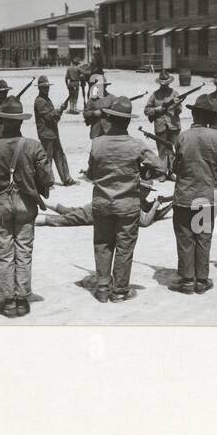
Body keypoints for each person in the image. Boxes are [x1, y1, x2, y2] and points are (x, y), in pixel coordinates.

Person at [84, 97, 166, 303]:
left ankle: (103, 287)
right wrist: (142, 174)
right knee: (124, 246)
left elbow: (91, 174)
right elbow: (161, 168)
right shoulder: (137, 146)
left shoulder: (97, 144)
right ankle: (120, 290)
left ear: (109, 119)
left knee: (102, 243)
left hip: (102, 203)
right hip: (127, 204)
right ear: (128, 122)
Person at [0, 99, 52, 317]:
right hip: (25, 205)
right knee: (24, 251)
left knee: (3, 254)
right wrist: (33, 186)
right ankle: (22, 299)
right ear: (20, 121)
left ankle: (9, 300)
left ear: (1, 122)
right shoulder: (33, 146)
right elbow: (47, 178)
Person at [170, 94, 217, 295]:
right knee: (203, 237)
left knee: (185, 237)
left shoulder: (181, 137)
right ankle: (201, 280)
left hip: (184, 195)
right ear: (210, 117)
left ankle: (187, 279)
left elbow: (175, 168)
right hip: (208, 196)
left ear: (193, 113)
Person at [38, 192, 173, 228]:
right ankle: (35, 218)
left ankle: (42, 201)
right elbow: (145, 222)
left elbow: (155, 214)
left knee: (70, 212)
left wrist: (170, 203)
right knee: (65, 220)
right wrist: (156, 205)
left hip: (101, 205)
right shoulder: (133, 201)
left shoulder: (136, 196)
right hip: (98, 211)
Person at [33, 75, 74, 187]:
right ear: (39, 88)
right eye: (44, 87)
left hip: (53, 133)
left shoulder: (46, 99)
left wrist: (59, 112)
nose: (47, 89)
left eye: (47, 87)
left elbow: (54, 117)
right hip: (46, 134)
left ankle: (66, 178)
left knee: (60, 155)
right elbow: (49, 116)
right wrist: (59, 110)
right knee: (47, 159)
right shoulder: (40, 101)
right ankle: (47, 182)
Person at [143, 71, 181, 174]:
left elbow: (179, 111)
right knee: (162, 151)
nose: (165, 86)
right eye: (163, 84)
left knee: (175, 149)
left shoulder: (175, 93)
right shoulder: (154, 95)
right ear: (159, 83)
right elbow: (146, 111)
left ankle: (174, 172)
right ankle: (162, 173)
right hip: (160, 126)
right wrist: (156, 110)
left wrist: (177, 105)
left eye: (167, 83)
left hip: (173, 125)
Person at [83, 74, 114, 141]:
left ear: (106, 86)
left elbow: (118, 114)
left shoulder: (112, 98)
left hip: (108, 131)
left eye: (103, 85)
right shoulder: (92, 99)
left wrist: (109, 113)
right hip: (96, 131)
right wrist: (93, 113)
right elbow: (85, 113)